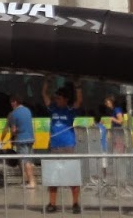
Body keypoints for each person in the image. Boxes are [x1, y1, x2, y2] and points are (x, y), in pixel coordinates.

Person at [41, 78, 82, 214]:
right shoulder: (52, 109)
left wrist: (78, 87)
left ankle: (75, 203)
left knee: (72, 175)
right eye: (56, 98)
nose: (56, 100)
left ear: (65, 99)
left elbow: (79, 101)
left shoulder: (70, 110)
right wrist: (47, 81)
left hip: (68, 146)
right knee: (53, 176)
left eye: (58, 98)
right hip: (54, 147)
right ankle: (52, 204)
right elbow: (44, 96)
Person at [8, 95, 37, 187]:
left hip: (21, 139)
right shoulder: (28, 111)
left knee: (25, 161)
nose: (11, 104)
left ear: (15, 102)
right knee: (29, 161)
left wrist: (13, 135)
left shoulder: (14, 114)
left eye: (12, 102)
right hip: (30, 138)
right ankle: (27, 181)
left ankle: (31, 182)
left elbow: (13, 130)